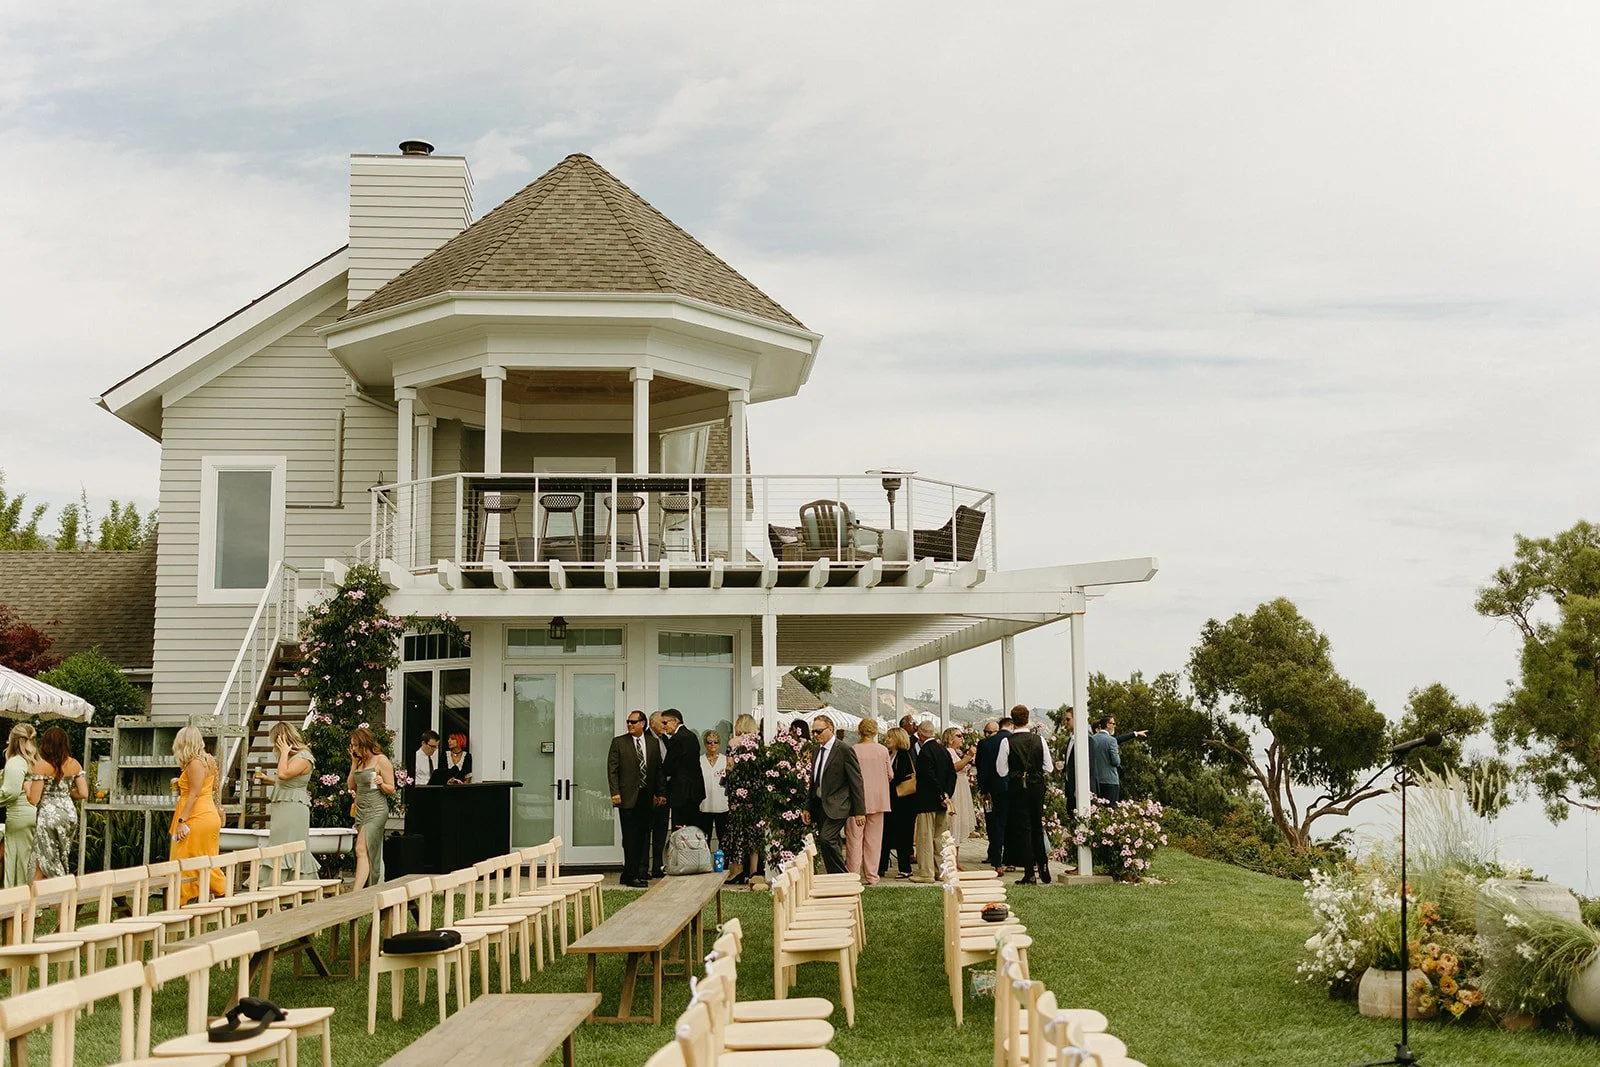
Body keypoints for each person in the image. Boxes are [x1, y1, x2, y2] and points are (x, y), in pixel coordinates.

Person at [996, 705, 1053, 884]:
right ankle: (1043, 865)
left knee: (1023, 829)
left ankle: (1029, 872)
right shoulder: (1039, 740)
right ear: (1027, 719)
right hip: (1037, 786)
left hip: (1018, 787)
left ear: (1013, 721)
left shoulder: (1007, 742)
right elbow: (1048, 767)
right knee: (1037, 825)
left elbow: (1001, 771)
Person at [170, 726, 227, 903]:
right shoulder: (209, 760)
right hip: (209, 812)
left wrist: (182, 821)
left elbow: (194, 794)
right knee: (206, 857)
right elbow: (214, 787)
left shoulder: (195, 762)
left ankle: (180, 900)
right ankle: (220, 892)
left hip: (196, 816)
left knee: (183, 859)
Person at [802, 715, 864, 874]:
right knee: (831, 843)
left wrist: (859, 811)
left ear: (831, 729)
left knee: (826, 838)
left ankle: (842, 876)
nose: (815, 735)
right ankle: (834, 876)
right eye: (813, 732)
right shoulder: (817, 751)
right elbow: (814, 781)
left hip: (839, 805)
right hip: (820, 805)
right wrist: (807, 807)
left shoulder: (843, 749)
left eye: (819, 731)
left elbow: (856, 781)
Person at [607, 709, 662, 888]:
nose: (629, 725)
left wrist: (660, 793)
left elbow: (658, 770)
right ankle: (630, 874)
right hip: (627, 796)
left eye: (633, 722)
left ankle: (636, 871)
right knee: (630, 836)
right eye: (628, 722)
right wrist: (615, 793)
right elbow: (612, 770)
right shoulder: (619, 743)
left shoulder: (653, 743)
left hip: (646, 796)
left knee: (643, 835)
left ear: (643, 723)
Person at [260, 722, 320, 879]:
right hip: (283, 806)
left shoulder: (304, 757)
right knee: (278, 843)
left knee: (291, 845)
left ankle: (296, 883)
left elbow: (283, 775)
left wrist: (285, 753)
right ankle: (275, 882)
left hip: (294, 808)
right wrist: (269, 780)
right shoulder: (292, 757)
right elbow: (287, 781)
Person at [27, 726, 87, 879]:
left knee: (46, 857)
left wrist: (26, 787)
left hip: (48, 816)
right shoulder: (74, 764)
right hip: (69, 815)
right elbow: (83, 793)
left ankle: (61, 894)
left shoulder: (41, 766)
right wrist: (66, 793)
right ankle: (42, 896)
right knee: (59, 856)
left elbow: (34, 799)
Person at [348, 726, 396, 889]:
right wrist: (354, 764)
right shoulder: (360, 762)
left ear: (364, 743)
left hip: (376, 810)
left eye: (356, 745)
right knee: (369, 851)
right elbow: (351, 785)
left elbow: (392, 788)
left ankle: (356, 892)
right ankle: (374, 886)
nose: (353, 749)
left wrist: (382, 784)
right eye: (352, 745)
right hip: (361, 810)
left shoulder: (381, 760)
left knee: (361, 848)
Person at [845, 718, 892, 884]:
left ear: (859, 731)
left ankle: (853, 874)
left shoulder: (853, 749)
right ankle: (872, 875)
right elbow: (890, 775)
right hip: (879, 800)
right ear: (875, 732)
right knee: (874, 840)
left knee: (854, 839)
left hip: (857, 801)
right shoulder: (883, 750)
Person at [722, 713, 764, 885]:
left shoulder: (733, 743)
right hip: (755, 792)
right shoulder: (759, 743)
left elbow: (729, 767)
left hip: (739, 793)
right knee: (754, 832)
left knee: (738, 831)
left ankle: (738, 869)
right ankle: (754, 871)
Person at [911, 720, 955, 882]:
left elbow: (929, 777)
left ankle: (926, 872)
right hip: (942, 802)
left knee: (925, 837)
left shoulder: (925, 753)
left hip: (927, 801)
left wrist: (939, 794)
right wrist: (946, 794)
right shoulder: (943, 750)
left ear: (921, 734)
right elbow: (952, 774)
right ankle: (940, 871)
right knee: (939, 838)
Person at [0, 724, 39, 886]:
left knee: (16, 864)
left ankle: (16, 906)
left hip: (18, 816)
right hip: (31, 813)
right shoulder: (35, 761)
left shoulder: (16, 761)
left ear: (13, 740)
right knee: (26, 862)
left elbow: (10, 792)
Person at [975, 717, 1012, 873]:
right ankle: (1012, 859)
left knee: (996, 824)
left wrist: (983, 790)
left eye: (988, 732)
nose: (986, 734)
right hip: (1015, 789)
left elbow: (981, 769)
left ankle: (997, 860)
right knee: (1014, 824)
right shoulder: (1015, 740)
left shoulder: (985, 744)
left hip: (994, 790)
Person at [660, 709, 705, 832]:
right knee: (693, 829)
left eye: (665, 723)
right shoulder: (692, 736)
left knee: (680, 831)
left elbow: (669, 767)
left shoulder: (677, 739)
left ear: (675, 721)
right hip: (694, 792)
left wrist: (660, 766)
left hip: (681, 793)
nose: (663, 727)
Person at [880, 727, 917, 879]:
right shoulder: (891, 755)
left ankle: (905, 868)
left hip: (903, 803)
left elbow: (901, 776)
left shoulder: (903, 755)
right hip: (894, 802)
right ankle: (881, 866)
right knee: (886, 834)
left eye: (890, 737)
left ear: (897, 739)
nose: (887, 740)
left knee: (902, 836)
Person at [1089, 715, 1147, 803]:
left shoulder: (1091, 740)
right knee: (1110, 808)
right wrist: (1117, 754)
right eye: (1113, 723)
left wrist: (1135, 733)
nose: (1114, 726)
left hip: (1095, 781)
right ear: (1108, 725)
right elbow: (1116, 761)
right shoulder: (1111, 740)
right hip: (1110, 780)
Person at [943, 726, 977, 853]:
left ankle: (955, 858)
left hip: (962, 789)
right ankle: (951, 858)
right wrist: (968, 757)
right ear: (950, 738)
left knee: (957, 823)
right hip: (956, 790)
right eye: (958, 736)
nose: (962, 738)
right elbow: (954, 768)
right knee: (953, 822)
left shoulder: (956, 752)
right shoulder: (949, 752)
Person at [647, 712, 672, 879]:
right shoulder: (645, 738)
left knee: (661, 831)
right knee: (646, 830)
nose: (665, 725)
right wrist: (655, 793)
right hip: (650, 794)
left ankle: (657, 866)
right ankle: (642, 868)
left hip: (666, 792)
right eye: (662, 722)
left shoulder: (666, 740)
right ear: (652, 723)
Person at [697, 730, 730, 848]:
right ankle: (706, 865)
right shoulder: (699, 760)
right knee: (705, 840)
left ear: (719, 744)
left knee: (723, 839)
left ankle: (724, 865)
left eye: (715, 742)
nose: (712, 745)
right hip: (704, 805)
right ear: (705, 744)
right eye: (709, 742)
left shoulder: (725, 760)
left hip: (722, 805)